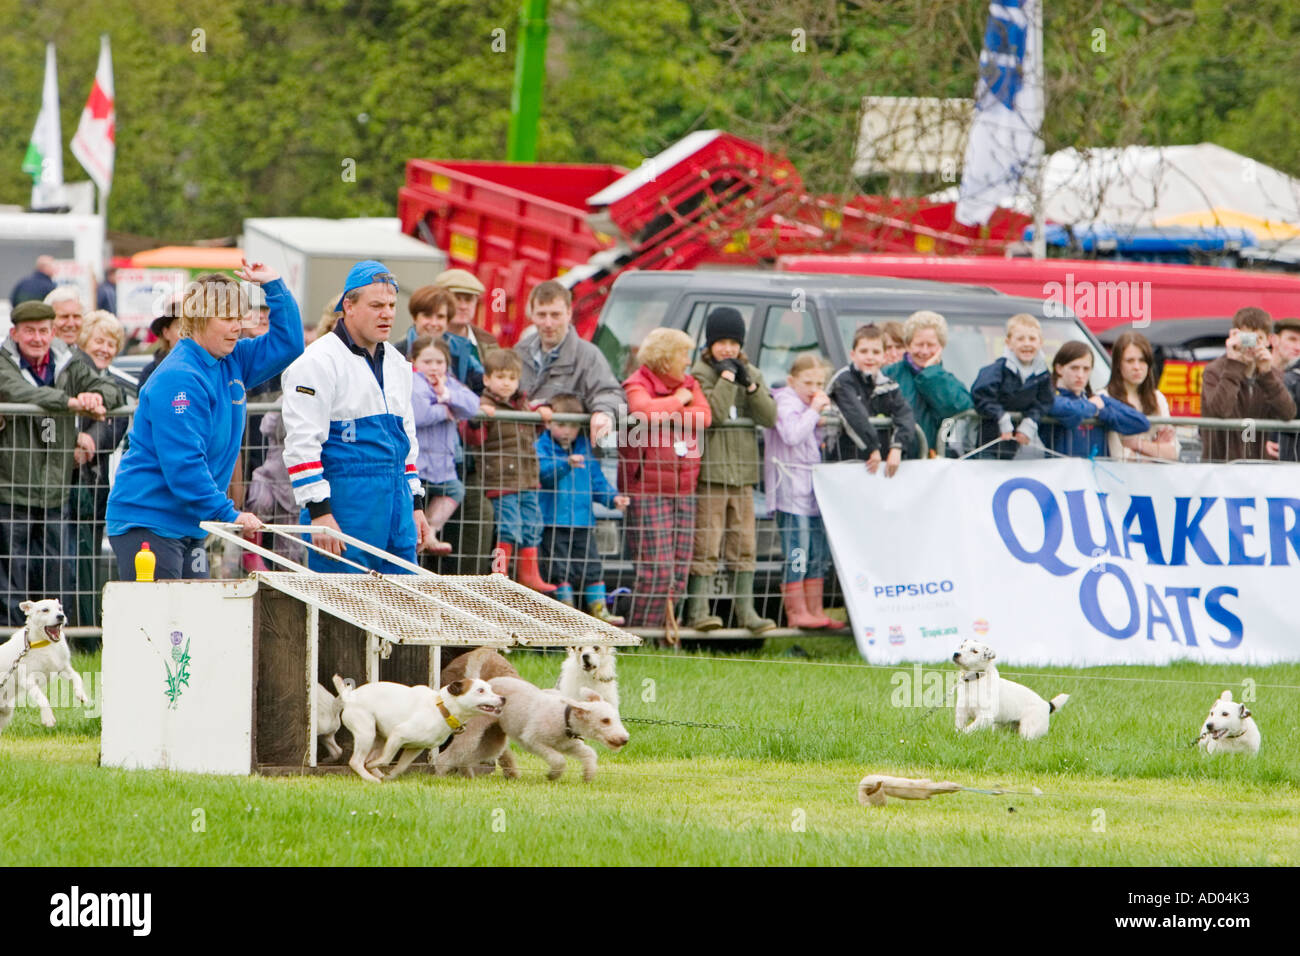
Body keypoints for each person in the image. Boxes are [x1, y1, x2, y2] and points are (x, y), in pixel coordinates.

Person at [105, 262, 303, 580]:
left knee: (190, 625)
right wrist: (228, 513)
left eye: (240, 318)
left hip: (189, 522)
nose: (237, 327)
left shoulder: (231, 358)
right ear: (198, 320)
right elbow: (184, 465)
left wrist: (275, 285)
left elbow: (288, 345)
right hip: (150, 522)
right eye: (226, 319)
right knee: (160, 626)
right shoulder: (180, 377)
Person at [282, 259, 429, 573]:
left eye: (391, 305)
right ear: (348, 305)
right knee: (342, 612)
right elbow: (302, 442)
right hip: (344, 506)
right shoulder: (316, 362)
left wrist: (415, 503)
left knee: (402, 609)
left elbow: (408, 439)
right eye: (376, 305)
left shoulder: (398, 363)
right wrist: (319, 511)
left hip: (397, 505)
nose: (387, 313)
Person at [0, 301, 122, 624]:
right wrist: (71, 403)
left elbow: (112, 390)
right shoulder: (3, 363)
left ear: (52, 333)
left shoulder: (68, 364)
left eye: (43, 331)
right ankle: (14, 650)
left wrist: (96, 398)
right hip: (11, 492)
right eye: (29, 331)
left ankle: (54, 646)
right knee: (12, 579)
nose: (37, 338)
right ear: (15, 333)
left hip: (56, 492)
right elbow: (20, 392)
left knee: (57, 577)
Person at [687, 307, 777, 635]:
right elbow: (717, 414)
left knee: (744, 544)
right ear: (709, 344)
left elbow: (769, 417)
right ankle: (699, 611)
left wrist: (750, 385)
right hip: (711, 474)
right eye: (721, 341)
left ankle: (747, 612)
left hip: (742, 475)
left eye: (733, 342)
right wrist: (726, 378)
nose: (727, 348)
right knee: (707, 544)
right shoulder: (699, 374)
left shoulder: (750, 371)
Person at [619, 327, 710, 629]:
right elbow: (643, 412)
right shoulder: (637, 382)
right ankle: (641, 633)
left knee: (678, 571)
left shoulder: (689, 383)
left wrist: (667, 411)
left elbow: (704, 418)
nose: (688, 361)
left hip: (684, 489)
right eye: (683, 354)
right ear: (665, 357)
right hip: (647, 489)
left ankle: (666, 634)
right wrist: (679, 400)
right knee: (655, 570)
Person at [63, 311, 134, 628]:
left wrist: (90, 441)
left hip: (92, 486)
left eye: (112, 343)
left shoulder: (113, 386)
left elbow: (115, 425)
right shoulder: (68, 373)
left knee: (86, 561)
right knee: (69, 561)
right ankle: (79, 629)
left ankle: (86, 629)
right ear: (83, 340)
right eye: (99, 341)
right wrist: (72, 441)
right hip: (66, 485)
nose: (106, 348)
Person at [465, 349, 554, 591]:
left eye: (512, 378)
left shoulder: (522, 405)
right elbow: (473, 438)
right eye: (501, 377)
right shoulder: (485, 406)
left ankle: (529, 574)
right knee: (508, 527)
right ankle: (499, 572)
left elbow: (529, 432)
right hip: (501, 480)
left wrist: (540, 417)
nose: (506, 383)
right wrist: (478, 419)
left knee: (532, 525)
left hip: (526, 477)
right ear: (487, 379)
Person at [536, 393, 630, 621]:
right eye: (561, 425)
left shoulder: (586, 451)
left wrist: (613, 498)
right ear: (549, 423)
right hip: (553, 521)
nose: (567, 431)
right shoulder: (541, 447)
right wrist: (566, 465)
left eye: (573, 426)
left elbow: (597, 481)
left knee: (591, 566)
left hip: (583, 522)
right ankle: (564, 610)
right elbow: (543, 474)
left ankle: (598, 610)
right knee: (558, 568)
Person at [765, 354, 835, 630]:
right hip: (790, 490)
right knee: (798, 549)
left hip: (812, 490)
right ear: (792, 381)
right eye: (807, 382)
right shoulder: (786, 402)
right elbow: (792, 434)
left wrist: (822, 421)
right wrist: (814, 411)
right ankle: (796, 611)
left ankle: (815, 609)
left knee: (817, 551)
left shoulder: (811, 406)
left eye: (819, 382)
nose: (813, 388)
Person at [515, 280, 625, 445]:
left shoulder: (588, 356)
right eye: (541, 314)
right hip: (522, 455)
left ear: (569, 313)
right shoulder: (519, 351)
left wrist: (603, 412)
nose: (548, 324)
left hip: (568, 460)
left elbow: (610, 393)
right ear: (532, 315)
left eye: (555, 315)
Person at [1199, 308, 1296, 462]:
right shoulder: (1215, 370)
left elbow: (1288, 413)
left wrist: (1266, 375)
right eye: (1246, 338)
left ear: (1268, 341)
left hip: (1259, 466)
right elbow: (1219, 411)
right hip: (1220, 465)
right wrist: (1234, 364)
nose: (1251, 346)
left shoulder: (1272, 374)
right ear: (1234, 336)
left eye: (1257, 339)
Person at [411, 335, 478, 555]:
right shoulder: (413, 381)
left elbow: (471, 404)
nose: (434, 367)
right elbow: (419, 412)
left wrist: (446, 395)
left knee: (455, 490)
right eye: (427, 362)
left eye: (439, 362)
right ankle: (415, 537)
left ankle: (429, 531)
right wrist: (446, 410)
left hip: (442, 465)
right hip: (416, 463)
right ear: (414, 362)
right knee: (412, 500)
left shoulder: (449, 382)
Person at [826, 323, 916, 474]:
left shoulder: (888, 385)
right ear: (853, 354)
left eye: (875, 352)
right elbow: (854, 414)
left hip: (877, 465)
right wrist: (873, 447)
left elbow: (905, 414)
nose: (870, 357)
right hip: (843, 462)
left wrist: (897, 447)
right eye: (864, 351)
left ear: (883, 356)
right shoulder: (843, 380)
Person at [883, 310, 973, 456]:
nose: (924, 351)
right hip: (897, 463)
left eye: (931, 345)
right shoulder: (889, 374)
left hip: (936, 465)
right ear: (908, 345)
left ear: (941, 347)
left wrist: (931, 374)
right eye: (919, 344)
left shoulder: (945, 378)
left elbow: (961, 407)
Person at [1040, 341, 1149, 458]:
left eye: (1086, 369)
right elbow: (1073, 410)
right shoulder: (1049, 398)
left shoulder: (1097, 400)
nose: (1080, 375)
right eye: (1074, 368)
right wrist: (1094, 408)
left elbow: (1141, 423)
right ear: (1059, 369)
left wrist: (1103, 413)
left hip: (1097, 472)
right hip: (1062, 472)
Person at [971, 313, 1054, 459]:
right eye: (1020, 339)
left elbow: (1046, 401)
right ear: (1008, 343)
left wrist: (1031, 421)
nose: (1027, 343)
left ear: (1041, 342)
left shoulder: (1043, 374)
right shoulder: (997, 370)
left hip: (1013, 445)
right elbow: (980, 395)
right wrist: (1001, 417)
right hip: (986, 441)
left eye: (1032, 338)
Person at [1106, 331, 1180, 461]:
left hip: (1155, 478)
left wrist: (1136, 444)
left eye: (1142, 360)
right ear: (1118, 364)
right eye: (1130, 361)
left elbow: (1172, 453)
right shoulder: (1105, 397)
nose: (1137, 367)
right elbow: (1118, 455)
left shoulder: (1157, 398)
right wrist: (1155, 450)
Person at [433, 268, 499, 390]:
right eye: (456, 299)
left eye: (468, 300)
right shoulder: (422, 338)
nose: (463, 306)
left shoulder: (489, 341)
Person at [1269, 317, 1300, 461]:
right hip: (1250, 461)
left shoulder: (1296, 378)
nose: (1298, 347)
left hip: (1289, 464)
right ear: (1274, 340)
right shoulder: (1254, 372)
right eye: (1292, 339)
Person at [137, 301, 182, 390]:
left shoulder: (202, 368)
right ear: (166, 333)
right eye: (179, 326)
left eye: (189, 327)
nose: (186, 333)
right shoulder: (151, 372)